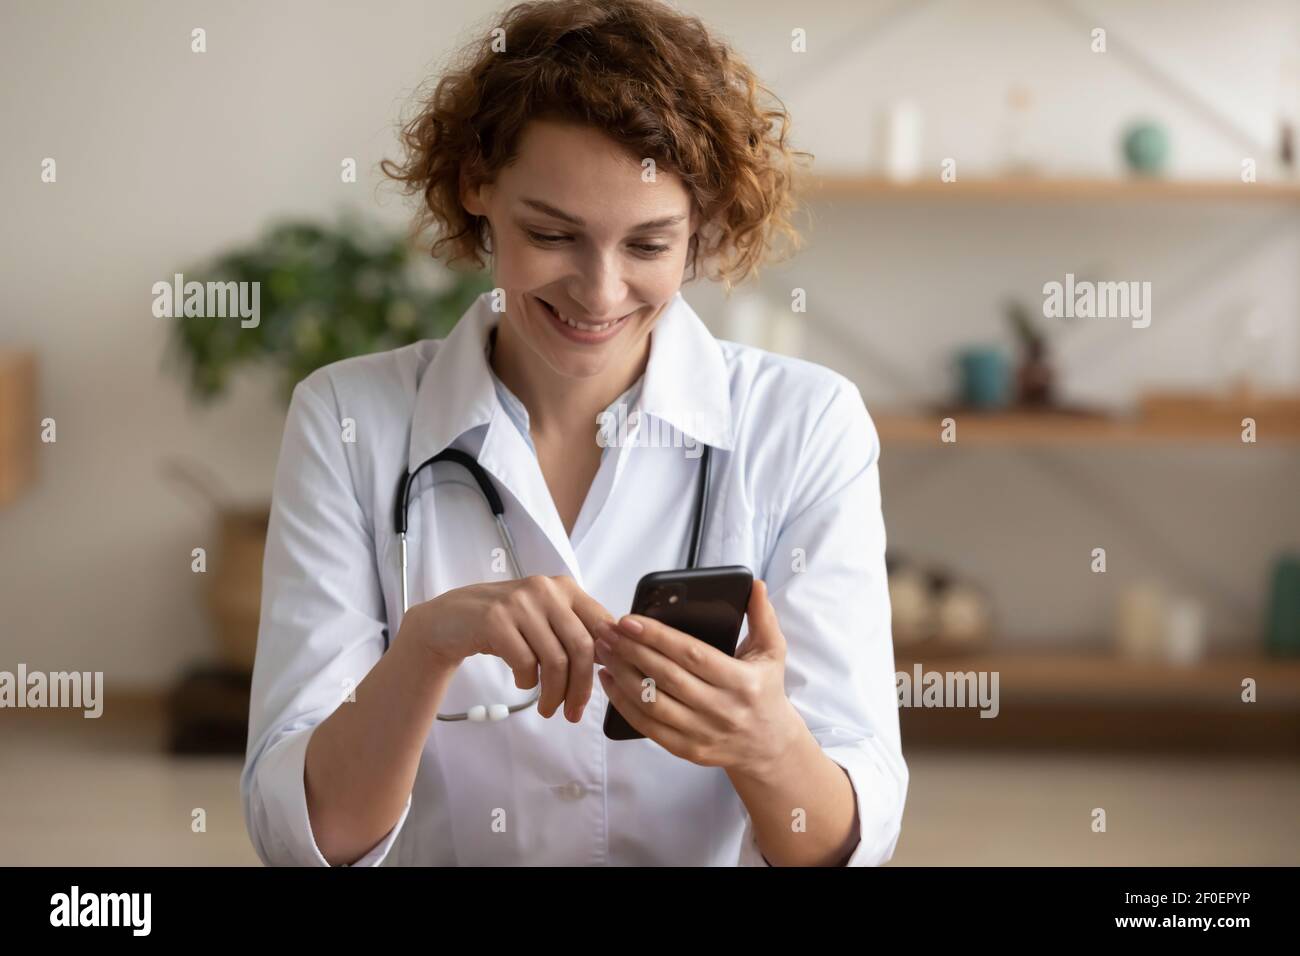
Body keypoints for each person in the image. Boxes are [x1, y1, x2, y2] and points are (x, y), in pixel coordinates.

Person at [241, 0, 907, 867]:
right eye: (551, 234)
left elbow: (841, 844)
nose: (598, 294)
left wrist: (767, 743)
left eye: (648, 245)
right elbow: (306, 838)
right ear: (477, 185)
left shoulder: (807, 425)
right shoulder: (346, 419)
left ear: (701, 225)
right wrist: (426, 649)